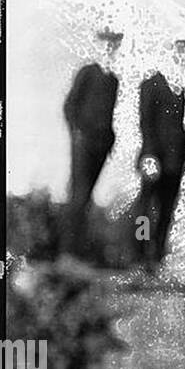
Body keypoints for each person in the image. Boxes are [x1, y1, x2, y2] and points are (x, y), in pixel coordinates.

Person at [135, 36, 185, 271]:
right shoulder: (152, 83)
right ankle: (139, 255)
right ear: (174, 55)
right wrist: (151, 156)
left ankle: (156, 257)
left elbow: (178, 127)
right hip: (154, 159)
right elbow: (146, 123)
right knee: (145, 209)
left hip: (175, 161)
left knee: (166, 209)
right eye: (184, 53)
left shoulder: (179, 90)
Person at [61, 28, 122, 258]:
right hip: (83, 143)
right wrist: (78, 134)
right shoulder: (87, 72)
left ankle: (78, 252)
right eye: (107, 44)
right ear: (99, 46)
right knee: (78, 195)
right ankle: (68, 253)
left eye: (114, 45)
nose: (110, 49)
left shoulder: (113, 80)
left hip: (101, 145)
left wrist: (110, 140)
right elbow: (70, 106)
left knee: (87, 197)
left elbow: (109, 116)